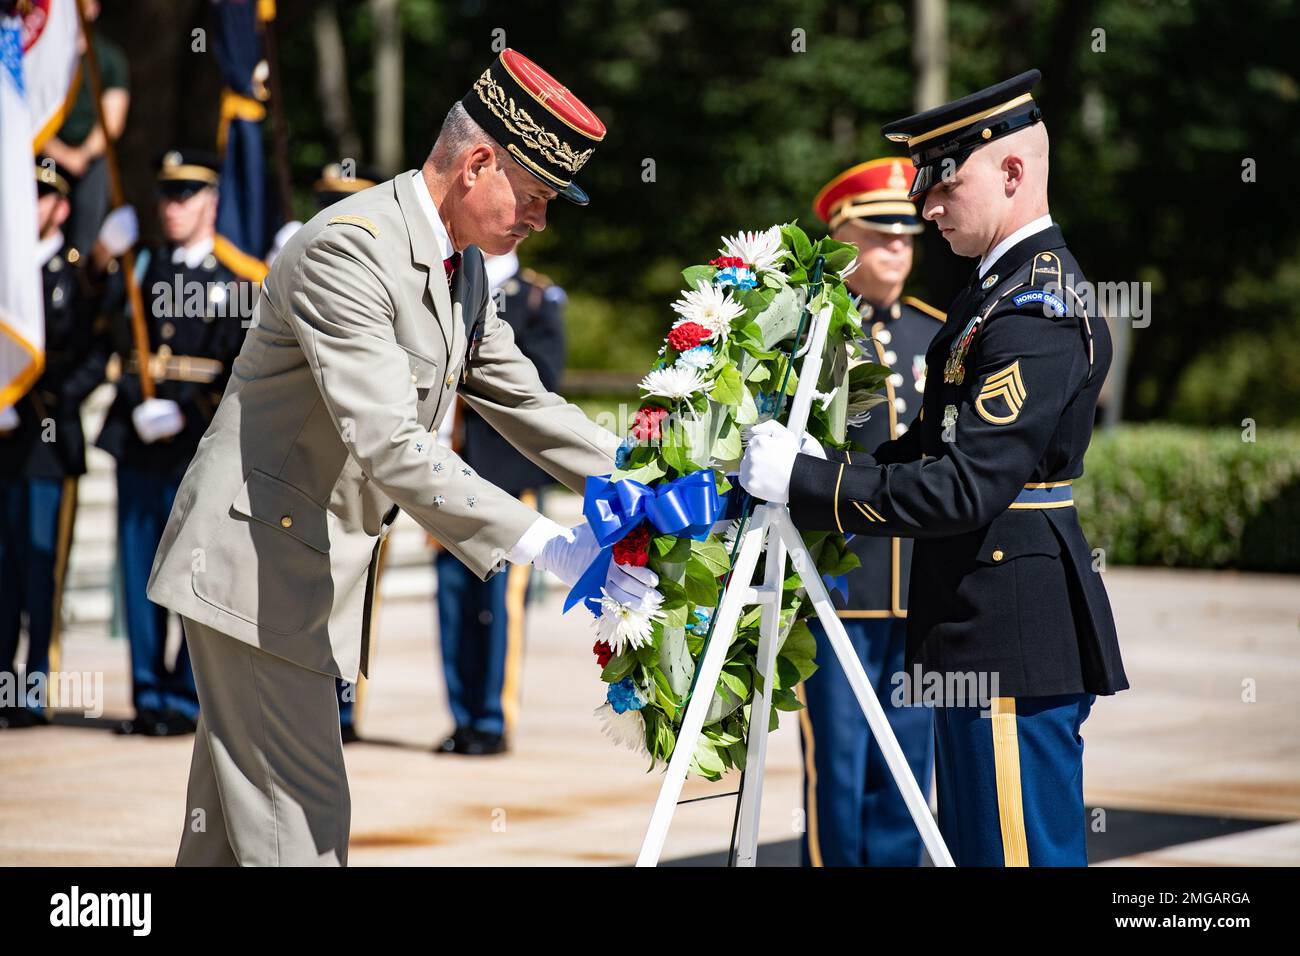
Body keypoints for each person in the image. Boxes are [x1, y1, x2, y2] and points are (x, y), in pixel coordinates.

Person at [145, 49, 658, 866]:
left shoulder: (466, 272)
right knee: (301, 836)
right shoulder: (347, 249)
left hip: (289, 576)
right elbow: (387, 438)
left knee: (229, 843)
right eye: (533, 198)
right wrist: (548, 545)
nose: (540, 221)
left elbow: (525, 401)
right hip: (256, 572)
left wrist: (649, 481)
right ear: (477, 164)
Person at [740, 70, 1128, 866]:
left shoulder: (1036, 309)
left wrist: (810, 485)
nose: (926, 206)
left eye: (944, 182)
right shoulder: (993, 296)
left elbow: (964, 484)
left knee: (1014, 855)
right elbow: (927, 448)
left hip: (1009, 631)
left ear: (1012, 173)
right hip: (977, 625)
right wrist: (824, 462)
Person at [796, 157, 945, 865]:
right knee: (840, 763)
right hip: (839, 586)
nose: (899, 249)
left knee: (911, 766)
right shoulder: (809, 333)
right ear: (842, 239)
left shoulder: (937, 333)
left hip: (918, 584)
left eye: (907, 237)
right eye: (882, 235)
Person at [95, 148, 256, 737]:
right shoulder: (139, 271)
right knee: (139, 572)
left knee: (193, 572)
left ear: (211, 203)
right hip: (139, 438)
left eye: (183, 197)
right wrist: (103, 257)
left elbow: (242, 370)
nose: (171, 208)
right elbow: (95, 324)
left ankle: (185, 697)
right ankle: (146, 696)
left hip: (195, 446)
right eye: (165, 196)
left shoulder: (237, 282)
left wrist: (185, 411)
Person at [433, 252, 566, 756]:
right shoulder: (451, 284)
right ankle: (463, 716)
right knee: (452, 602)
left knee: (497, 606)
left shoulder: (536, 298)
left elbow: (542, 385)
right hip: (448, 474)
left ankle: (492, 718)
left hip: (505, 477)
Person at [0, 161, 110, 728]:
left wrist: (50, 403)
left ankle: (35, 687)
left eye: (45, 196)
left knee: (42, 571)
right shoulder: (8, 273)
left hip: (47, 443)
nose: (34, 205)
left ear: (62, 208)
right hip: (4, 442)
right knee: (4, 574)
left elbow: (98, 352)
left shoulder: (79, 276)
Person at [42, 0, 130, 257]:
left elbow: (112, 122)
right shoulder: (46, 57)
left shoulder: (108, 59)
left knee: (86, 240)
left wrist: (81, 155)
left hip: (89, 162)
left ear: (95, 8)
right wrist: (60, 153)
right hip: (47, 156)